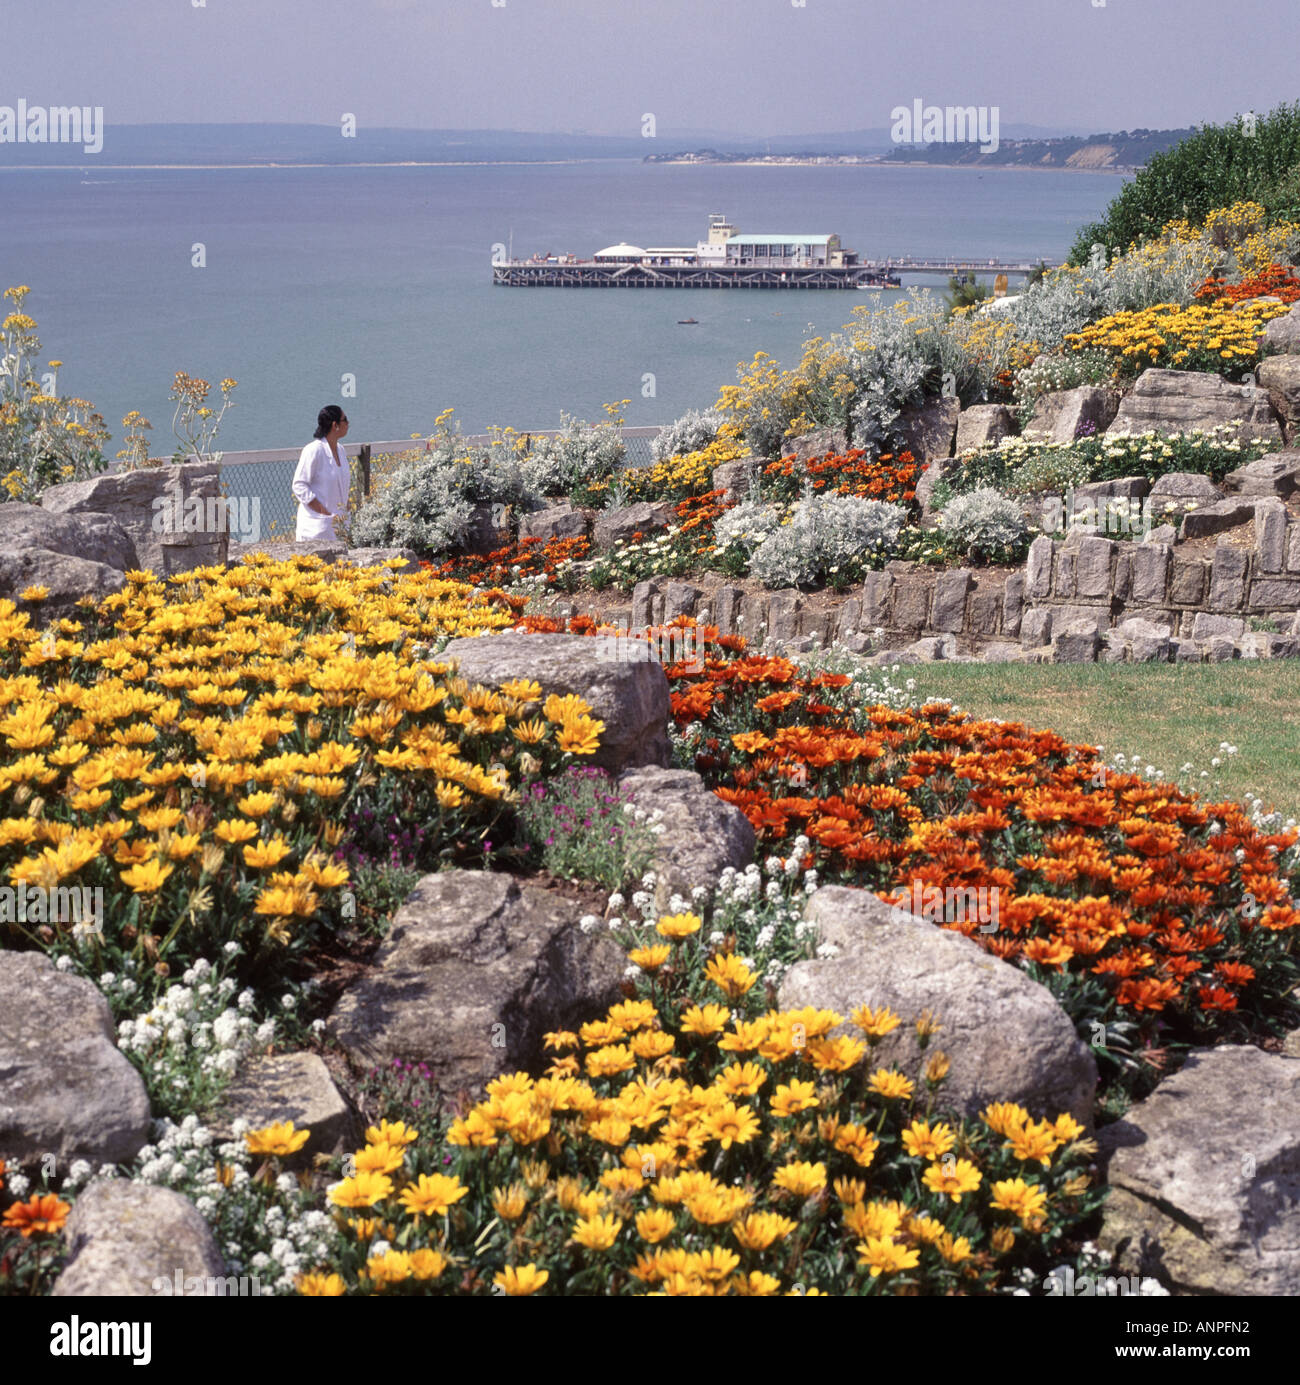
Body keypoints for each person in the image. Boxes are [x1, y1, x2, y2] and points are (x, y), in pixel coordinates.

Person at [293, 406, 351, 541]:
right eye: (345, 419)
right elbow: (299, 485)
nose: (348, 423)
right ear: (335, 425)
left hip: (339, 526)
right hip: (316, 527)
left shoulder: (341, 450)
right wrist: (322, 511)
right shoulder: (313, 450)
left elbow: (340, 483)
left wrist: (346, 504)